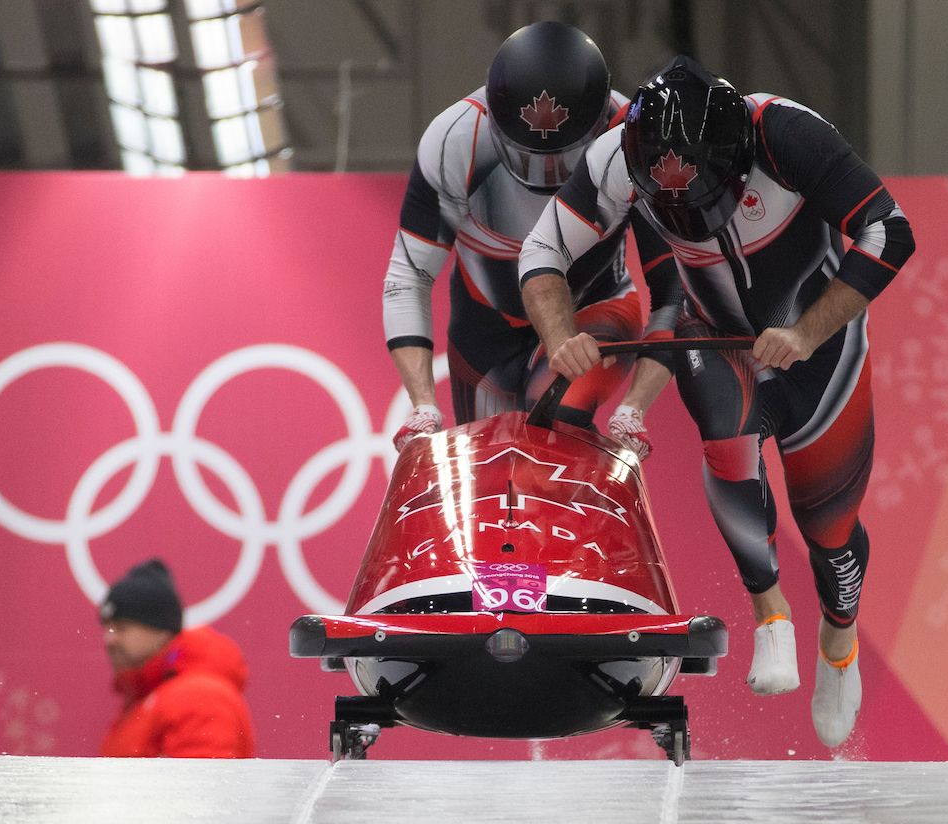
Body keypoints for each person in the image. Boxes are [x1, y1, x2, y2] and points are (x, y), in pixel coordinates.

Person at [519, 55, 915, 747]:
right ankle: (771, 616)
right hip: (716, 334)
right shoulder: (616, 157)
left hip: (819, 345)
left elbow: (890, 232)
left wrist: (807, 330)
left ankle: (839, 639)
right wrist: (559, 337)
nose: (690, 218)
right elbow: (542, 250)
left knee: (829, 528)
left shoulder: (787, 135)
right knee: (727, 445)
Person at [385, 20, 682, 452]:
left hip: (593, 311)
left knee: (555, 418)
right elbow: (409, 276)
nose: (548, 180)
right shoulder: (455, 141)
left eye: (565, 162)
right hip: (486, 327)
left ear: (601, 125)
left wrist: (635, 406)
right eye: (529, 160)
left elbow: (673, 289)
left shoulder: (632, 138)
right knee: (491, 467)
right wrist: (422, 403)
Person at [99, 559, 255, 758]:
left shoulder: (198, 696)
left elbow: (203, 787)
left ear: (162, 631)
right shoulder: (146, 698)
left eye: (122, 628)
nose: (109, 638)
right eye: (107, 627)